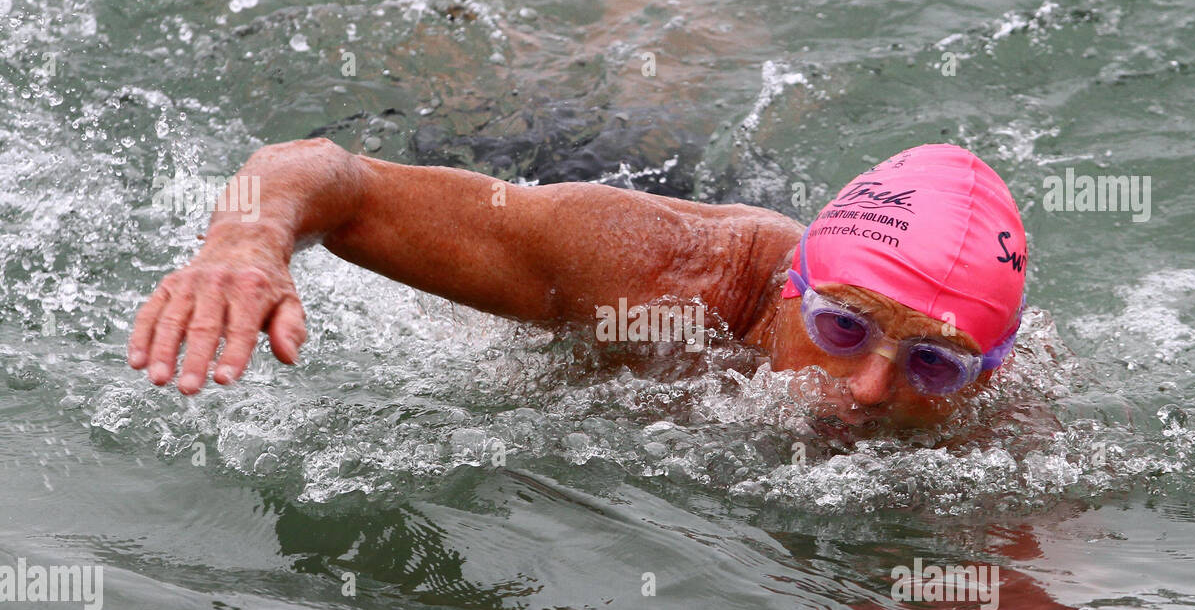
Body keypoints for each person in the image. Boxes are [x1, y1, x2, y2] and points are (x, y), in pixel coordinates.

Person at [127, 140, 1027, 427]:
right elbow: (324, 171)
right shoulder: (651, 265)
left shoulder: (1010, 418)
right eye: (842, 329)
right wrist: (245, 243)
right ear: (795, 290)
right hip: (573, 174)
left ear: (987, 372)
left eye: (934, 368)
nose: (871, 388)